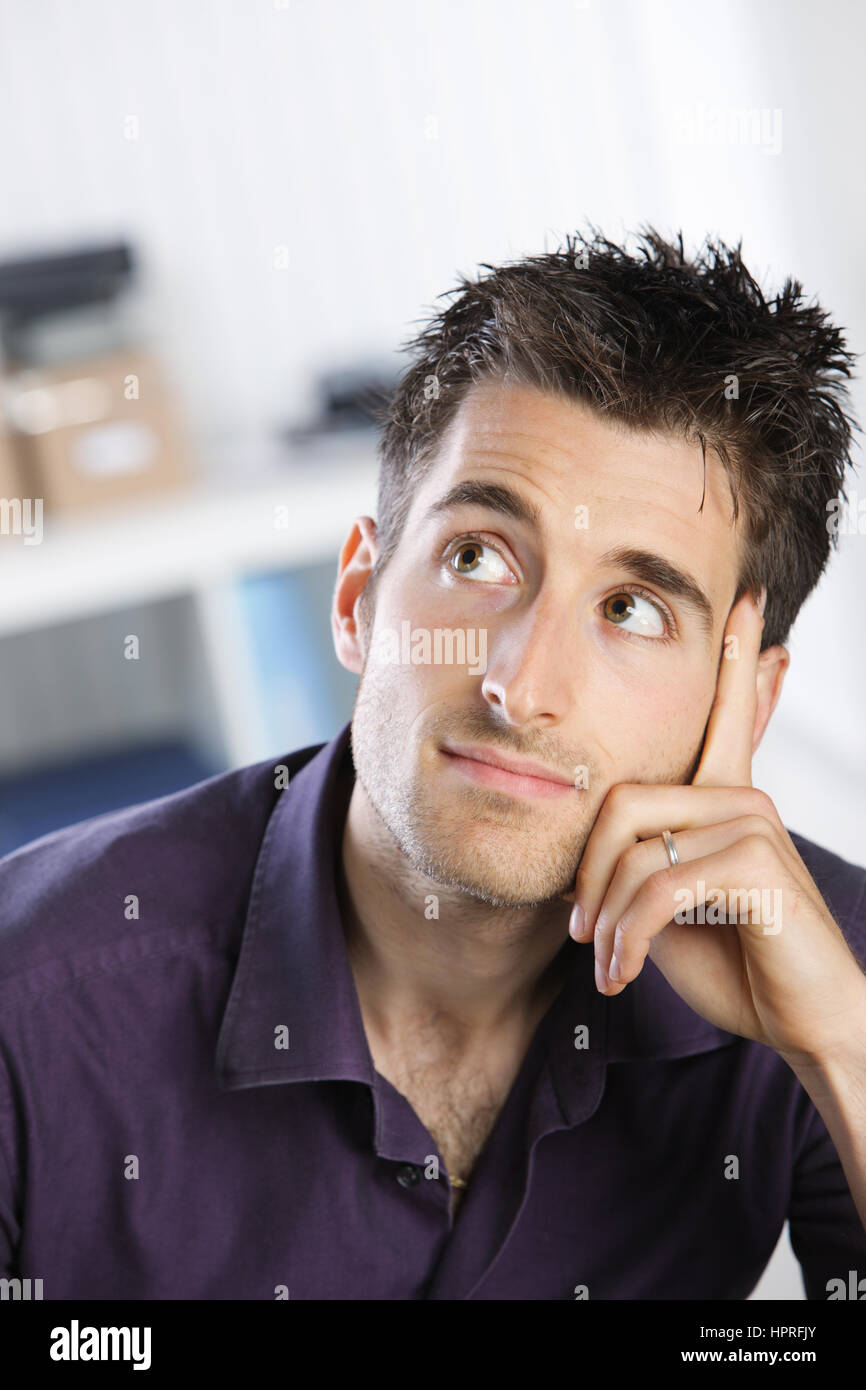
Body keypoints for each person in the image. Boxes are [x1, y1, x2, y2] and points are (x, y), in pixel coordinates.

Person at [1, 227, 865, 1300]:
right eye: (477, 557)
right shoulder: (30, 998)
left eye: (632, 609)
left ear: (749, 694)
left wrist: (841, 1052)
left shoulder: (828, 970)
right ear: (358, 593)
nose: (520, 678)